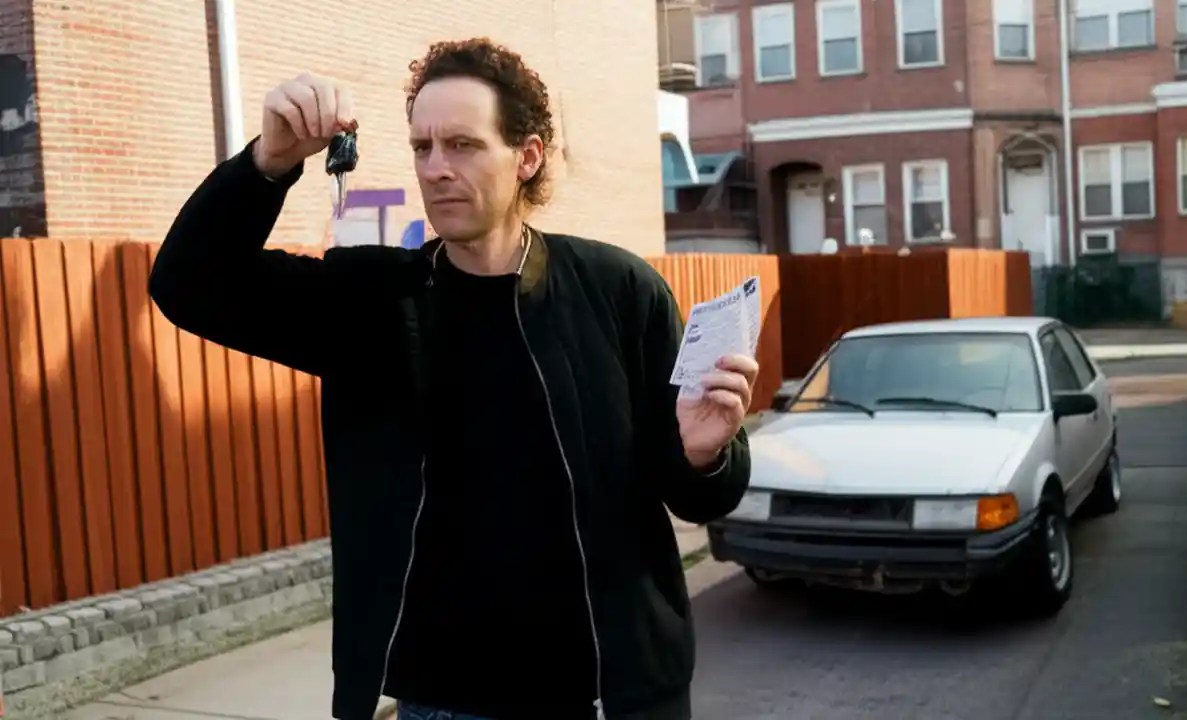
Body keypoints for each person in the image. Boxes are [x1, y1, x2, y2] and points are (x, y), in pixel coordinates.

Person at [150, 38, 756, 720]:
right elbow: (188, 286)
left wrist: (705, 456)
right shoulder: (375, 301)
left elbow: (700, 497)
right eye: (422, 147)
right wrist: (270, 162)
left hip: (610, 697)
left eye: (463, 145)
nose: (436, 169)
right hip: (442, 702)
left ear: (525, 157)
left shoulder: (619, 291)